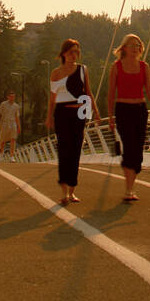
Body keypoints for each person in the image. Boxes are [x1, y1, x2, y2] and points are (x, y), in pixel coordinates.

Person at [107, 33, 150, 202]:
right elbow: (110, 93)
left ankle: (131, 187)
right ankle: (129, 190)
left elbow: (149, 90)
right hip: (123, 110)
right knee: (129, 147)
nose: (136, 48)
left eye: (138, 45)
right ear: (124, 48)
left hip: (140, 110)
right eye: (132, 45)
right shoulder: (116, 67)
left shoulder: (144, 67)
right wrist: (110, 115)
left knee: (138, 150)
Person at [44, 38, 93, 206]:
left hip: (79, 113)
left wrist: (94, 113)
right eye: (72, 51)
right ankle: (64, 192)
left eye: (77, 51)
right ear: (64, 53)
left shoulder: (83, 70)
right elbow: (52, 99)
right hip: (62, 113)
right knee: (64, 151)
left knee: (76, 151)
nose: (74, 55)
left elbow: (88, 93)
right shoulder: (56, 73)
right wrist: (49, 117)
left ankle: (72, 191)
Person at [0, 91, 21, 160]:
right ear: (8, 97)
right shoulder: (3, 104)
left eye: (13, 97)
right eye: (11, 96)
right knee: (3, 140)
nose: (12, 98)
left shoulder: (16, 106)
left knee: (13, 139)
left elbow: (17, 117)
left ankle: (12, 156)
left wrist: (18, 126)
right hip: (4, 123)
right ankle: (1, 154)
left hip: (13, 124)